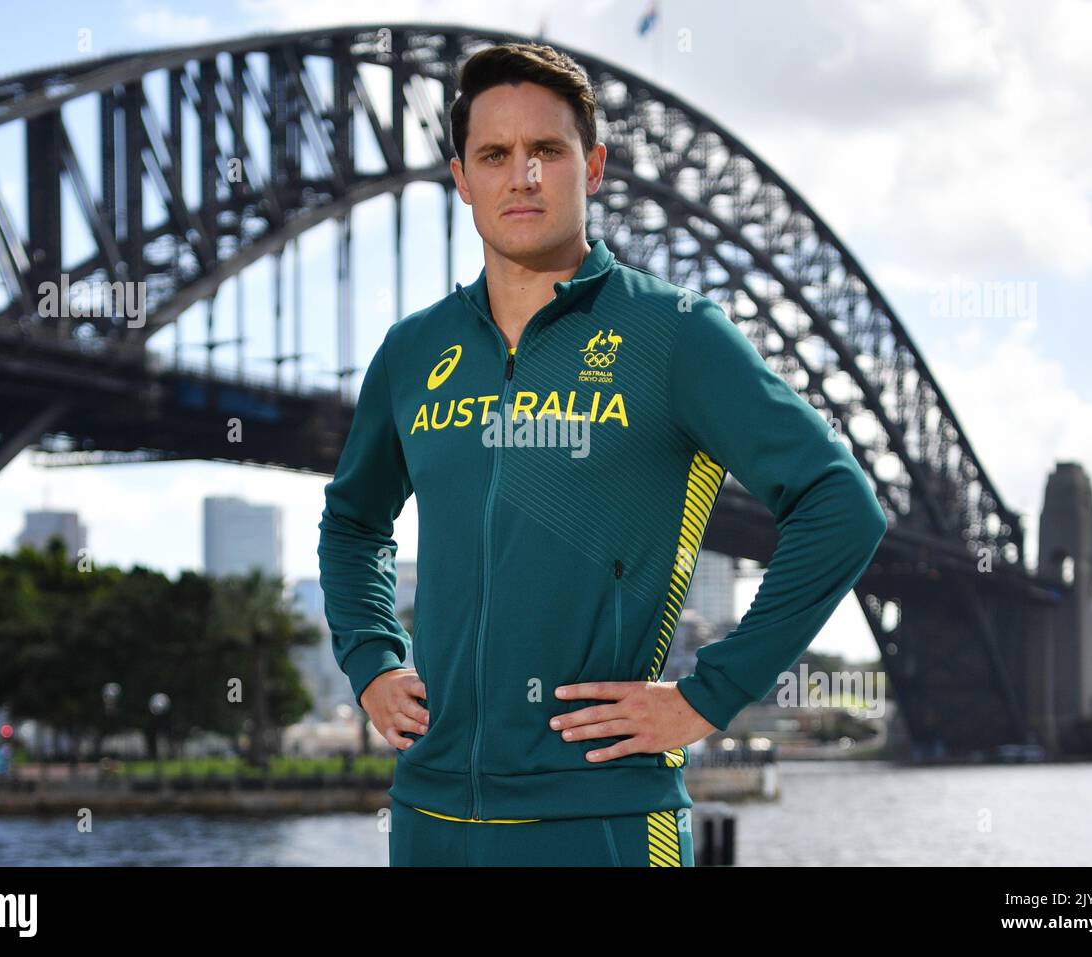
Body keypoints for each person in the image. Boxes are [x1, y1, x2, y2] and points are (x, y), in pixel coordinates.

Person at [317, 41, 888, 867]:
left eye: (547, 151)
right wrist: (371, 661)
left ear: (594, 168)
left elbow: (840, 505)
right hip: (429, 820)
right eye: (495, 155)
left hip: (605, 821)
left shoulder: (674, 334)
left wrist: (708, 694)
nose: (523, 177)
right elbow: (353, 521)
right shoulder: (413, 351)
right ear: (461, 179)